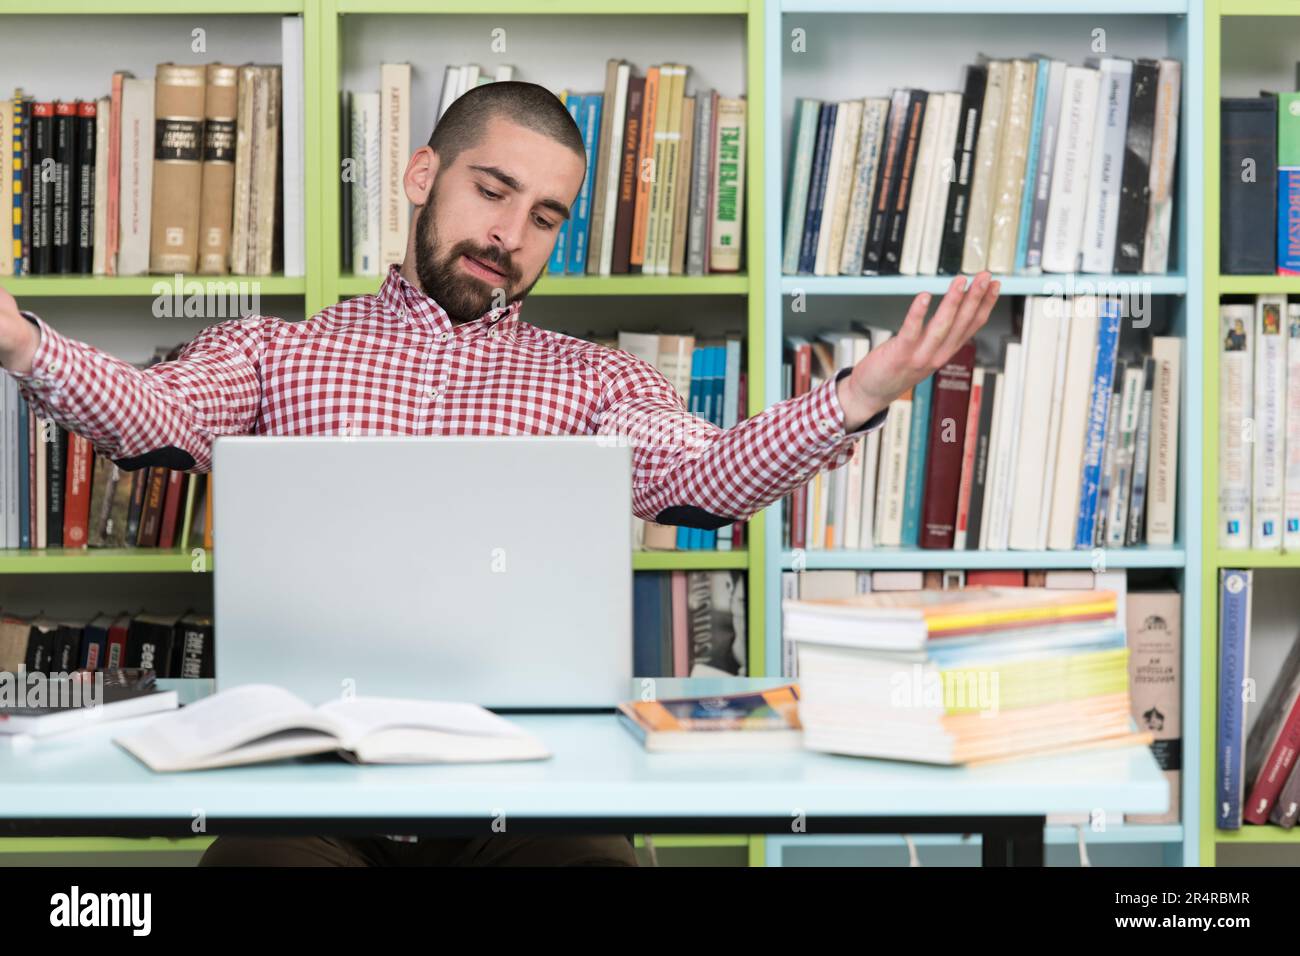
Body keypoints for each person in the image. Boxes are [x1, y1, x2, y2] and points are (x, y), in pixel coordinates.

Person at [0, 81, 999, 866]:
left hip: (531, 790)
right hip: (311, 788)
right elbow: (153, 414)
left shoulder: (599, 380)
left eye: (546, 215)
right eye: (491, 190)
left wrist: (857, 394)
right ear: (422, 173)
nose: (510, 236)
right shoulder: (274, 352)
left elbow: (711, 475)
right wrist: (19, 341)